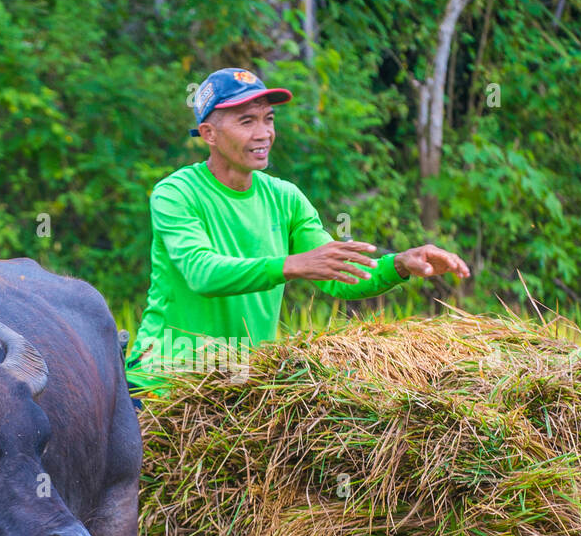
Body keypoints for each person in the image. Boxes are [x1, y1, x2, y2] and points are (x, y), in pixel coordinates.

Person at [125, 67, 471, 401]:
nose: (264, 133)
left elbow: (339, 276)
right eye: (247, 121)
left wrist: (400, 264)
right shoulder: (176, 193)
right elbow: (203, 273)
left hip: (239, 385)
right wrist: (291, 265)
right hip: (165, 382)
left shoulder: (284, 198)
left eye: (268, 119)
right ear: (209, 134)